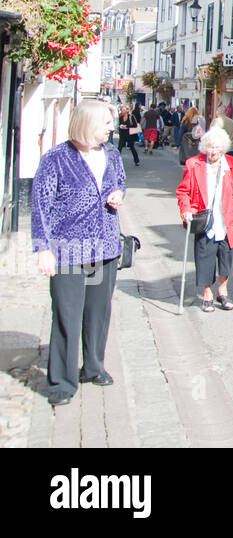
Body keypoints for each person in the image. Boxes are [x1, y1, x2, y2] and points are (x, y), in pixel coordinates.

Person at [30, 100, 126, 406]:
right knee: (67, 316)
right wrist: (43, 249)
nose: (112, 128)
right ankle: (61, 382)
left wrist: (118, 193)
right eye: (106, 123)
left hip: (106, 247)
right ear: (88, 124)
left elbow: (121, 180)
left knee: (98, 313)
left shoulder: (111, 153)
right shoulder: (57, 159)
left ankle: (93, 366)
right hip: (70, 248)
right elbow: (40, 206)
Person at [176, 127, 233, 312]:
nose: (213, 151)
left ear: (223, 148)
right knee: (204, 256)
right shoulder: (194, 164)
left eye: (216, 147)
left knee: (225, 256)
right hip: (204, 220)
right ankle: (207, 292)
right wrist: (186, 209)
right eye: (209, 147)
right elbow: (183, 191)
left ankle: (223, 291)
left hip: (226, 220)